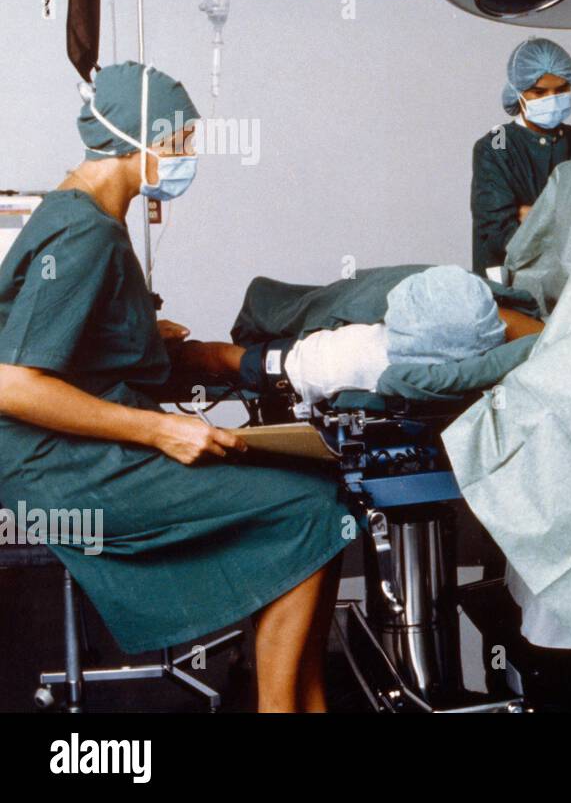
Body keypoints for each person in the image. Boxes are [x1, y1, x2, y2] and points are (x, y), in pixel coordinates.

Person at [0, 62, 350, 712]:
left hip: (64, 453)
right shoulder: (84, 232)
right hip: (56, 469)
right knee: (309, 510)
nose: (188, 155)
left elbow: (72, 342)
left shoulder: (86, 213)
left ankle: (309, 703)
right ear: (135, 138)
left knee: (319, 497)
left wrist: (152, 340)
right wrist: (161, 428)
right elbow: (13, 384)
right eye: (179, 140)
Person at [183, 265, 546, 404]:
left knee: (225, 358)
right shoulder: (394, 368)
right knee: (224, 358)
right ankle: (170, 359)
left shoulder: (428, 318)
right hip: (298, 362)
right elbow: (469, 372)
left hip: (327, 344)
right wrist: (530, 349)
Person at [471, 38, 571, 275]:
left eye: (561, 89)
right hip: (511, 285)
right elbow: (500, 234)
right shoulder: (495, 145)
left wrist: (533, 216)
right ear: (518, 91)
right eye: (539, 92)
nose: (552, 98)